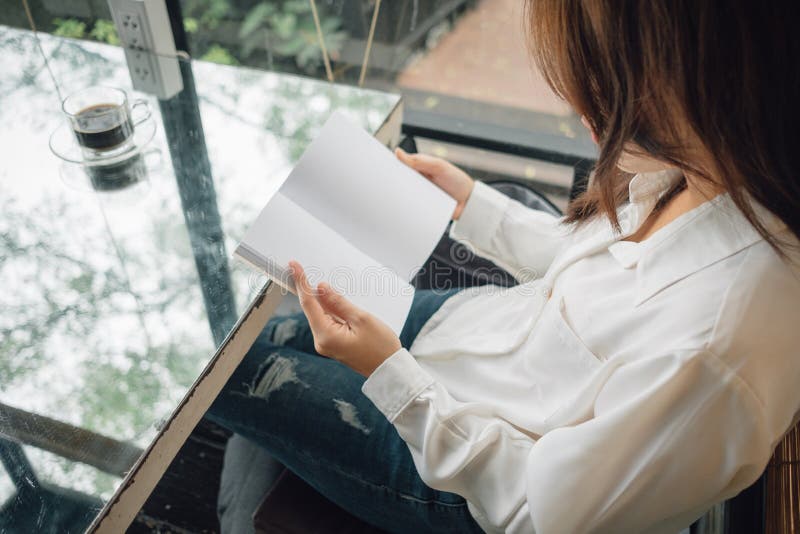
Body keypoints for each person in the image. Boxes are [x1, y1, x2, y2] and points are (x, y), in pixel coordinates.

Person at [207, 1, 800, 532]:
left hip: (456, 471)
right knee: (264, 334)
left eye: (603, 85)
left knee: (220, 374)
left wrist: (389, 372)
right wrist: (472, 200)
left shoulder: (717, 350)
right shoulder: (711, 170)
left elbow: (536, 512)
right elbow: (596, 277)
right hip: (473, 336)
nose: (579, 109)